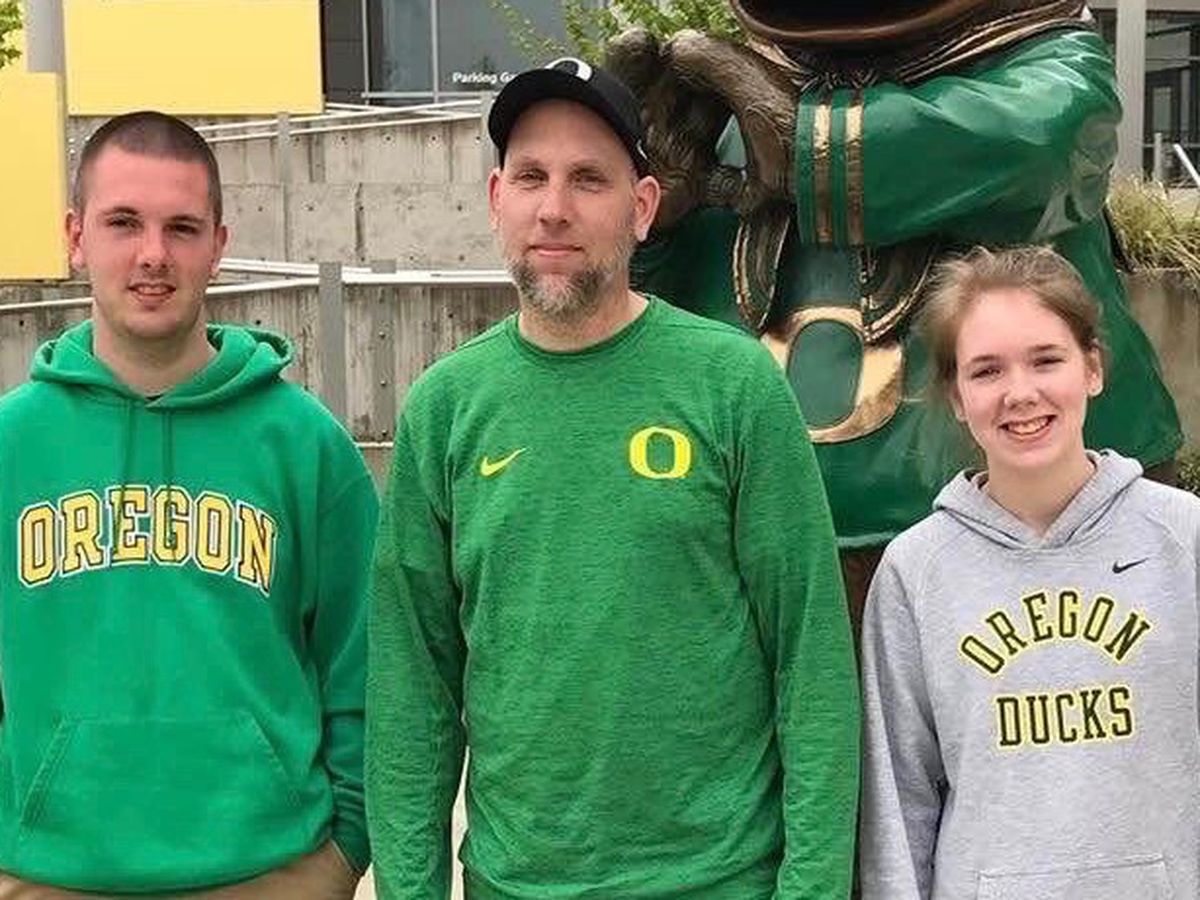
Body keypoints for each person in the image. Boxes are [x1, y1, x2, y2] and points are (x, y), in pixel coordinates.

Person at [366, 58, 859, 899]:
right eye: (531, 177)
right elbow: (413, 687)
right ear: (496, 199)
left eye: (589, 179)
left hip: (717, 883)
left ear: (642, 207)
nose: (554, 208)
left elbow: (809, 660)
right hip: (514, 884)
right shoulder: (444, 408)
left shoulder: (733, 385)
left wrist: (810, 889)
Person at [610, 1, 1183, 631]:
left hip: (1014, 539)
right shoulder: (725, 101)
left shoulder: (1047, 66)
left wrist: (805, 139)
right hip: (763, 547)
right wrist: (651, 221)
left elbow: (1043, 145)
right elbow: (658, 328)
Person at [0, 111, 376, 898]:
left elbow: (367, 675)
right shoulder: (13, 444)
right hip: (48, 876)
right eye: (123, 222)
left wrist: (344, 850)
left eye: (181, 227)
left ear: (218, 244)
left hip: (269, 872)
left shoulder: (306, 445)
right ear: (76, 236)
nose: (153, 254)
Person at [858, 245, 1199, 899]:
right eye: (987, 370)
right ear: (957, 396)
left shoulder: (1183, 539)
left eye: (1046, 360)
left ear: (1092, 368)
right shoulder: (916, 571)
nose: (1020, 393)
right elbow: (898, 807)